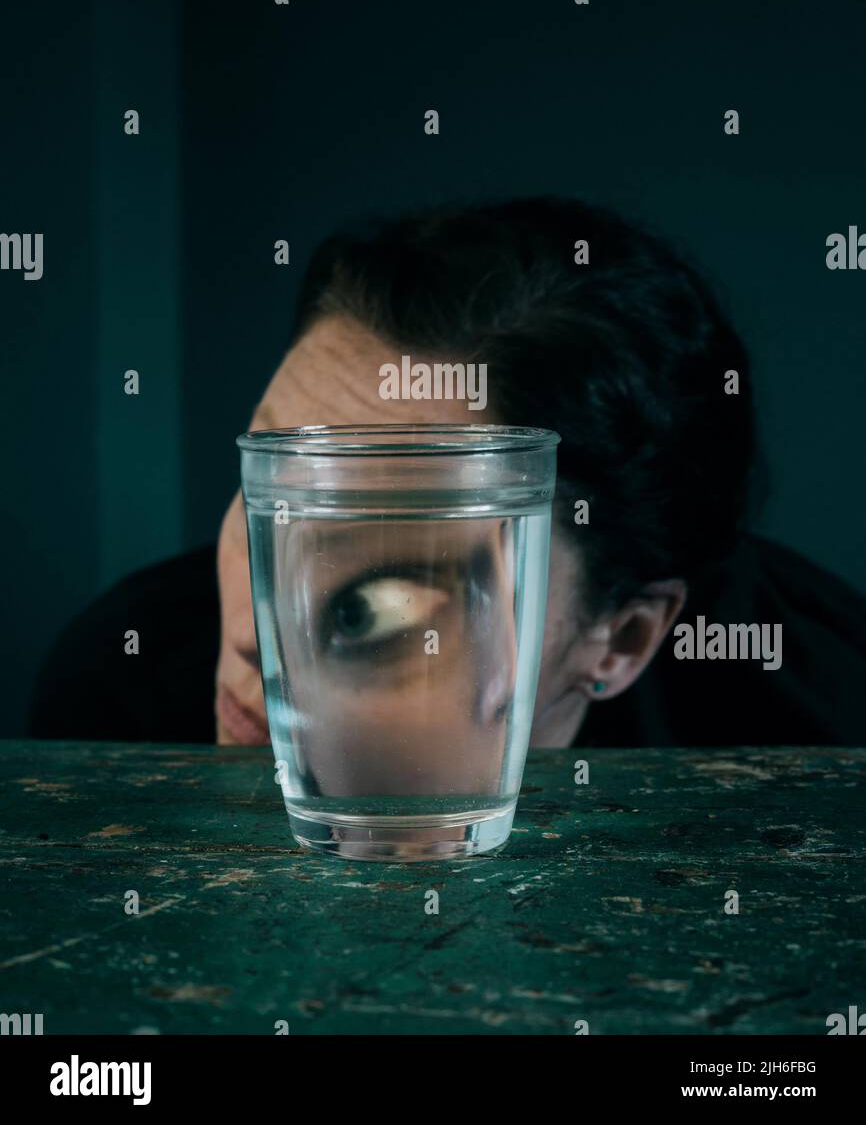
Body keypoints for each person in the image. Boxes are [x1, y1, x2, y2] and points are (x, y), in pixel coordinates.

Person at [30, 195, 866, 747]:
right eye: (268, 498)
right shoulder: (123, 684)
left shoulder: (823, 738)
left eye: (385, 597)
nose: (252, 634)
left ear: (621, 639)